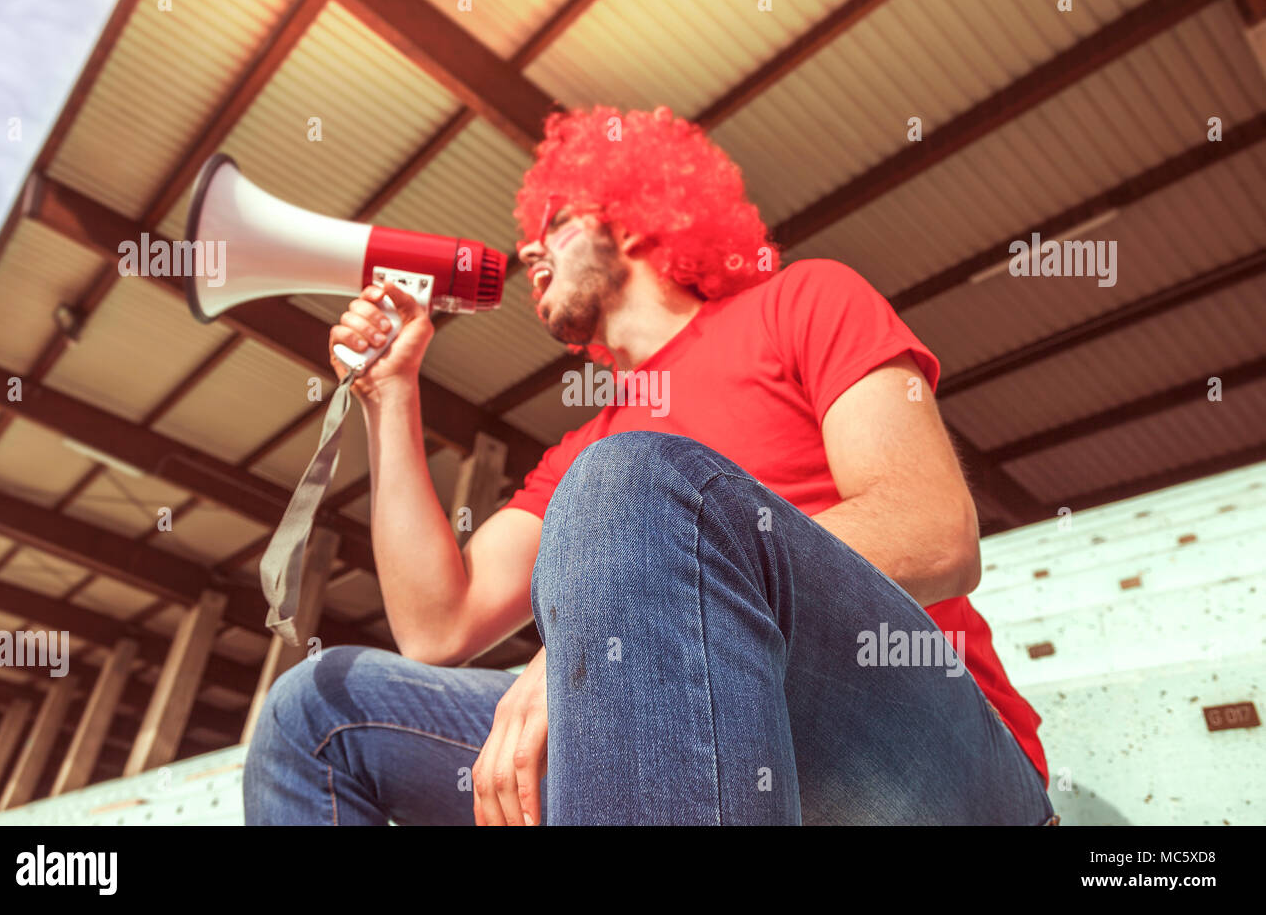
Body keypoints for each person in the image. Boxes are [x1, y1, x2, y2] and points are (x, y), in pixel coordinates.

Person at [243, 105, 1056, 826]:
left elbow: (934, 532)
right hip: (673, 728)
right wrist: (392, 398)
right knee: (315, 712)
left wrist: (589, 630)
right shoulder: (585, 450)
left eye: (554, 221)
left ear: (631, 219)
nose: (529, 248)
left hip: (925, 760)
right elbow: (436, 626)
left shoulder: (804, 301)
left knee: (629, 490)